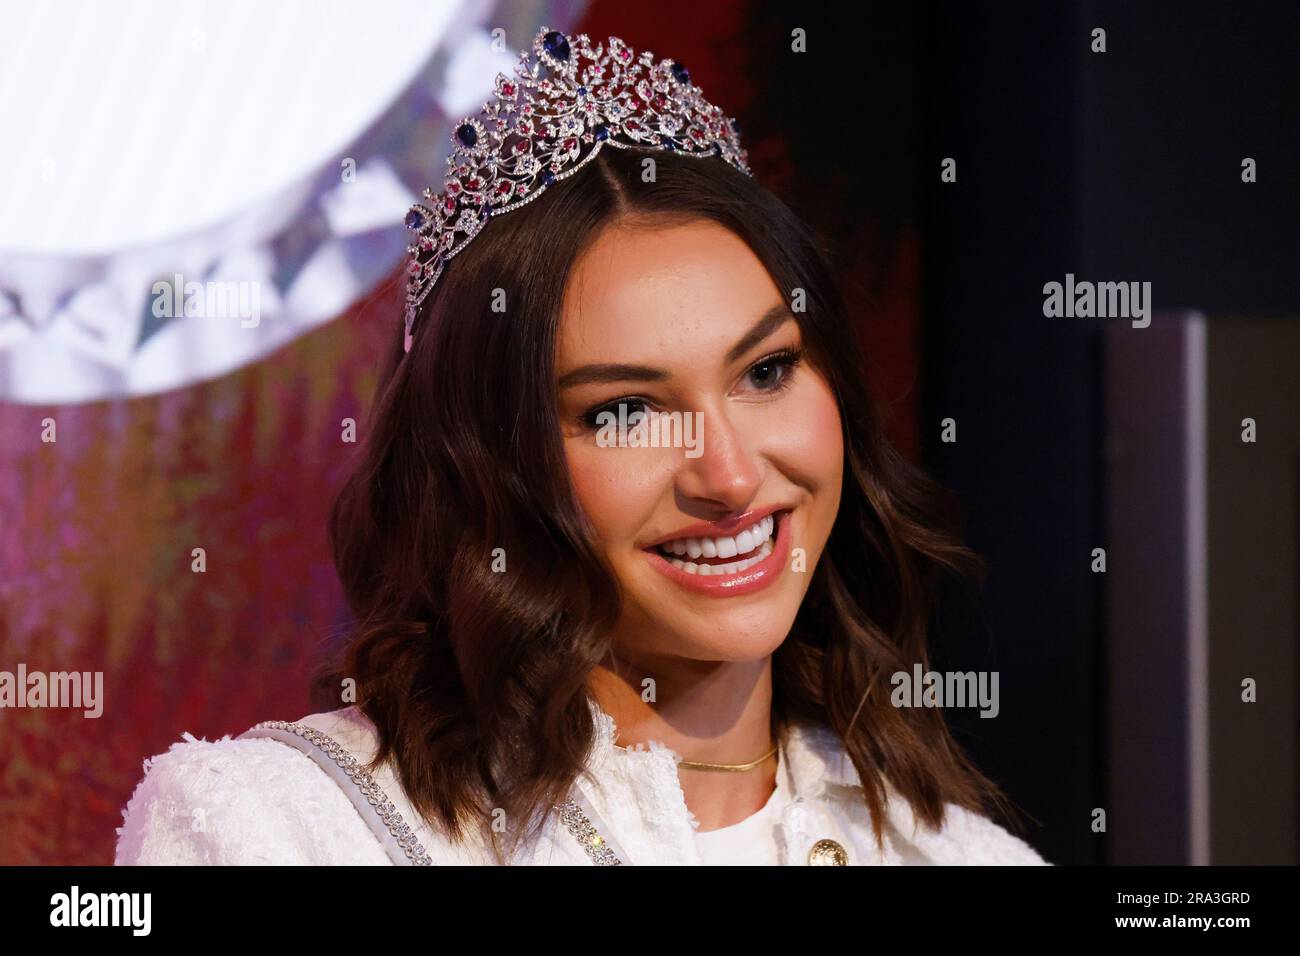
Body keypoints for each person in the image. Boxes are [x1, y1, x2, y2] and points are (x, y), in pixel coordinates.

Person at [114, 27, 1046, 866]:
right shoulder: (282, 830)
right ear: (488, 462)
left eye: (764, 373)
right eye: (624, 412)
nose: (728, 476)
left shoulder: (964, 858)